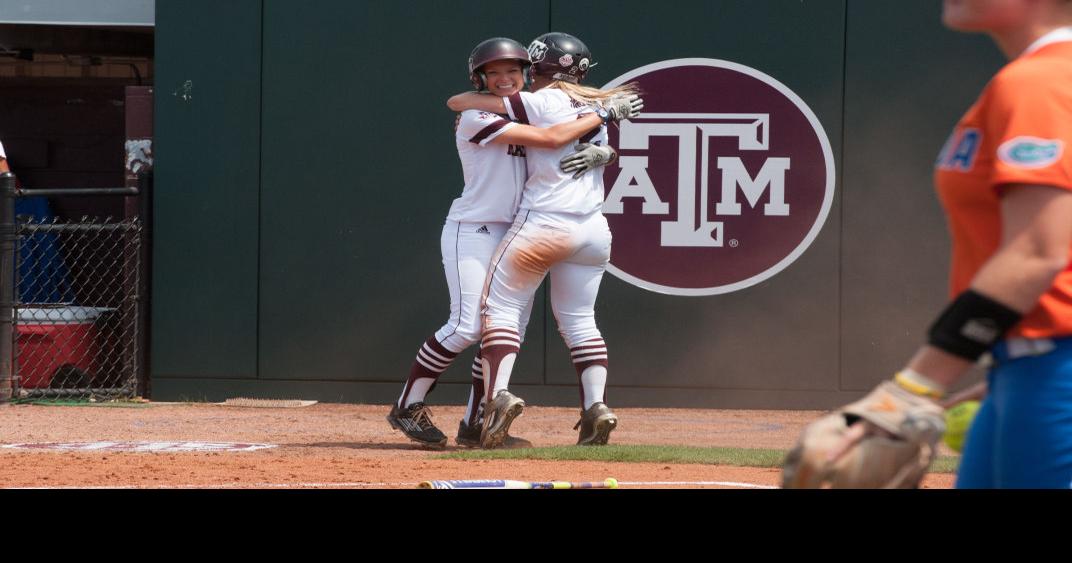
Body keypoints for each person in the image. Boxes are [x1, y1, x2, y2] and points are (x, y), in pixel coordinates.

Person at [784, 0, 1072, 488]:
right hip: (1024, 368)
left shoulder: (1041, 82)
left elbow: (1037, 253)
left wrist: (914, 388)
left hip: (1053, 370)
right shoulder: (1037, 78)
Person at [387, 37, 632, 449]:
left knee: (502, 327)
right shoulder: (477, 116)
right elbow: (552, 138)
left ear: (529, 73)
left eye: (513, 71)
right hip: (475, 227)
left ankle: (475, 423)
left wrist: (604, 152)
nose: (504, 78)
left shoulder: (534, 107)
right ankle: (408, 405)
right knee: (467, 325)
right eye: (494, 72)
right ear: (479, 79)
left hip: (519, 228)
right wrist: (602, 115)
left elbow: (564, 137)